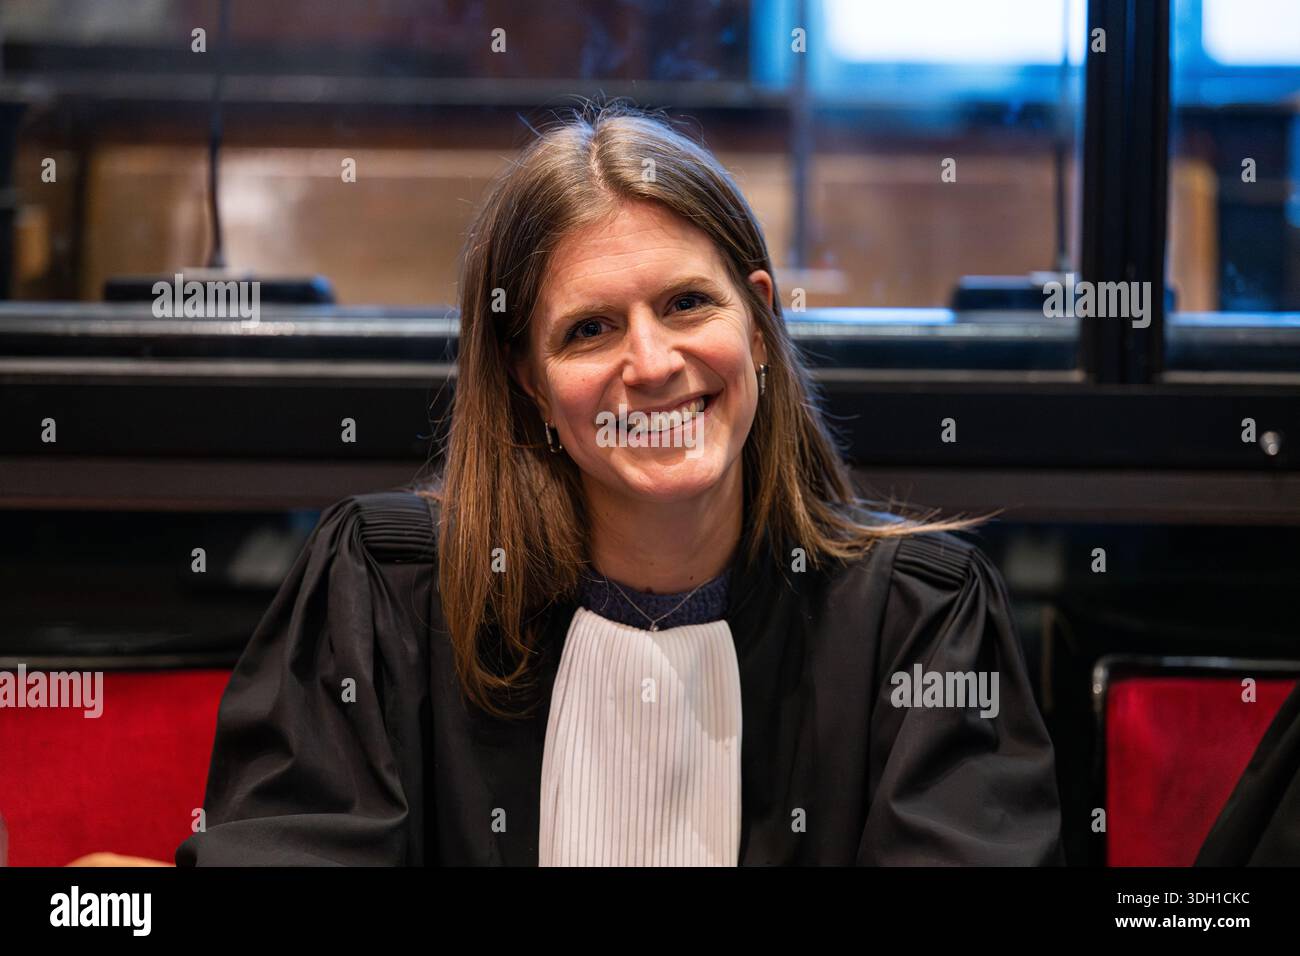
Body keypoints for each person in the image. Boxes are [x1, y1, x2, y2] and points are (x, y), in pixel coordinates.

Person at [176, 100, 1063, 866]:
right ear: (530, 381)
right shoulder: (378, 596)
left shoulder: (923, 626)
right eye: (591, 329)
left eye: (686, 304)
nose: (651, 363)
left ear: (758, 323)